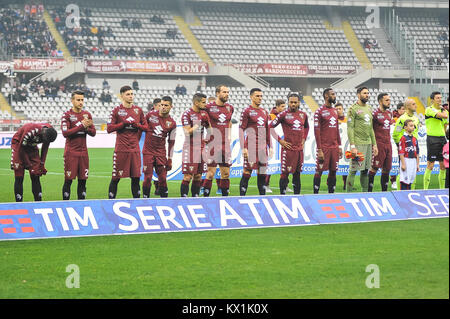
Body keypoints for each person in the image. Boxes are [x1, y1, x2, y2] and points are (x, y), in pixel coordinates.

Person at [107, 85, 147, 199]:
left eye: (132, 94)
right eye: (128, 94)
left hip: (134, 149)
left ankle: (137, 203)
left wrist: (137, 125)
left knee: (136, 178)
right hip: (121, 149)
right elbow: (109, 129)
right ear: (122, 96)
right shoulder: (116, 110)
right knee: (116, 177)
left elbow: (146, 127)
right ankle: (110, 202)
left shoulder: (138, 110)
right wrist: (123, 124)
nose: (131, 96)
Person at [270, 93, 309, 195]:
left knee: (297, 175)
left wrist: (304, 138)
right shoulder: (283, 114)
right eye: (291, 102)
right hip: (288, 150)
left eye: (295, 102)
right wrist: (280, 140)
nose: (293, 104)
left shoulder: (303, 115)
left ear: (299, 103)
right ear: (288, 102)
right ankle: (283, 197)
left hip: (299, 150)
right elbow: (270, 127)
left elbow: (306, 127)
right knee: (285, 174)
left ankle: (297, 197)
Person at [61, 90, 96, 200]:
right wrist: (82, 126)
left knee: (83, 180)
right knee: (68, 180)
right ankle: (65, 204)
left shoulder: (87, 115)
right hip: (71, 153)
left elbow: (93, 133)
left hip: (83, 153)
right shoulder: (67, 115)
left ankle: (81, 204)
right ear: (72, 101)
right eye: (78, 100)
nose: (80, 102)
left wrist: (87, 128)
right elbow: (65, 133)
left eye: (82, 100)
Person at [239, 88, 273, 196]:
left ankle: (262, 198)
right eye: (257, 96)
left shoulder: (264, 112)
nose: (260, 98)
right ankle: (241, 198)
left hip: (263, 149)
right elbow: (241, 129)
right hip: (251, 148)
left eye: (261, 96)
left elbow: (267, 130)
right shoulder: (247, 111)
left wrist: (270, 146)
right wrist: (243, 147)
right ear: (251, 97)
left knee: (262, 173)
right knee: (247, 173)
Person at [10, 123, 57, 202]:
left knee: (36, 175)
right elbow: (21, 149)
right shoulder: (31, 130)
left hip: (32, 146)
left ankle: (38, 203)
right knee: (19, 177)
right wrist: (29, 165)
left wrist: (41, 165)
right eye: (45, 140)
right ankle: (19, 203)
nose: (44, 142)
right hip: (19, 145)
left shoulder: (50, 132)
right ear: (43, 133)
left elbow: (45, 149)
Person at [202, 85, 234, 197]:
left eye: (227, 92)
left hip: (225, 145)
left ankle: (225, 198)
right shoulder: (208, 107)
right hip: (212, 144)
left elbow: (229, 122)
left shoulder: (230, 108)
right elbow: (201, 121)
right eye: (224, 92)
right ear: (217, 93)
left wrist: (229, 135)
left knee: (226, 174)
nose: (226, 94)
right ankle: (205, 198)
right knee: (210, 173)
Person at [142, 96, 176, 198]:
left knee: (162, 178)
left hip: (161, 153)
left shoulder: (172, 123)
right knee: (147, 178)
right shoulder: (150, 115)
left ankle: (164, 201)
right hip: (148, 152)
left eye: (166, 105)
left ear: (171, 107)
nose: (163, 107)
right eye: (161, 105)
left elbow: (171, 142)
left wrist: (170, 159)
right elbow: (141, 128)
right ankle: (145, 200)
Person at [346, 87, 378, 192]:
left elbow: (371, 128)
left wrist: (374, 144)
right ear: (358, 95)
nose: (367, 95)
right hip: (358, 144)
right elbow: (350, 128)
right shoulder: (353, 109)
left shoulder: (369, 108)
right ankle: (348, 194)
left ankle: (365, 194)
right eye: (364, 93)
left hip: (368, 143)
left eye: (368, 93)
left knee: (365, 170)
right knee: (353, 170)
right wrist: (353, 146)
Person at [180, 93, 211, 197]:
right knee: (187, 176)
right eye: (203, 102)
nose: (205, 104)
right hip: (190, 148)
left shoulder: (204, 114)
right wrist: (197, 124)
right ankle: (184, 199)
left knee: (198, 176)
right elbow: (187, 132)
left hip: (201, 148)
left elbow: (210, 129)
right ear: (196, 102)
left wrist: (208, 138)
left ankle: (195, 198)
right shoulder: (187, 114)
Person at [313, 88, 343, 194]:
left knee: (333, 171)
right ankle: (315, 194)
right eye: (332, 94)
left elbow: (336, 130)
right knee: (319, 170)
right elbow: (316, 132)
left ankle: (331, 194)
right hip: (324, 147)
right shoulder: (319, 112)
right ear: (326, 96)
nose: (335, 96)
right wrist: (319, 149)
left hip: (334, 147)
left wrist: (339, 146)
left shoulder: (335, 111)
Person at [368, 93, 395, 192]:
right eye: (386, 100)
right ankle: (369, 192)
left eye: (389, 100)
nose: (389, 102)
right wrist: (373, 144)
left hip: (388, 144)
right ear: (380, 101)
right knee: (374, 168)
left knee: (387, 169)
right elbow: (370, 129)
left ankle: (384, 192)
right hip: (378, 144)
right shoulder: (374, 114)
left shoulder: (389, 113)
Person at [392, 98, 420, 190]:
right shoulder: (402, 119)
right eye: (413, 104)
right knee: (403, 173)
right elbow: (396, 134)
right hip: (404, 151)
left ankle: (410, 192)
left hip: (414, 149)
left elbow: (416, 133)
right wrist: (400, 146)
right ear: (407, 106)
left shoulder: (416, 119)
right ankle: (400, 192)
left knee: (412, 172)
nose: (415, 106)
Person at [423, 91, 449, 189]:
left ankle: (442, 190)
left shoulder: (444, 111)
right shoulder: (429, 110)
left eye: (440, 98)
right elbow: (444, 116)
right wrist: (443, 111)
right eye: (437, 98)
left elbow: (445, 125)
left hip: (442, 139)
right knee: (430, 165)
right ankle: (425, 190)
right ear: (432, 100)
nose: (440, 99)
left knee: (443, 165)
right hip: (432, 139)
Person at [265, 99, 287, 193]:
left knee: (285, 164)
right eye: (282, 107)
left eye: (284, 107)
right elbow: (268, 128)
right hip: (272, 141)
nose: (284, 109)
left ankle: (285, 185)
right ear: (277, 107)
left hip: (282, 141)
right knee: (271, 164)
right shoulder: (270, 116)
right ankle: (266, 185)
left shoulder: (285, 115)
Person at [398, 119, 420, 190]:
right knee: (404, 181)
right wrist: (403, 164)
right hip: (406, 160)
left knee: (410, 180)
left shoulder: (415, 139)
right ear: (405, 127)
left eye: (413, 126)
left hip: (413, 161)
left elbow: (417, 152)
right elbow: (401, 152)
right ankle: (402, 196)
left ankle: (408, 195)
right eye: (411, 126)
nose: (413, 127)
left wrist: (417, 164)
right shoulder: (403, 138)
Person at [390, 102, 406, 189]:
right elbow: (395, 130)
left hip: (403, 143)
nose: (404, 111)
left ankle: (401, 179)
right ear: (398, 110)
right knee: (393, 161)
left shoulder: (406, 118)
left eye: (405, 109)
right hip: (394, 143)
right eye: (403, 109)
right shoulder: (394, 119)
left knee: (401, 161)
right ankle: (393, 180)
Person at [335, 102, 348, 190]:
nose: (338, 110)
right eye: (336, 109)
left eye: (340, 108)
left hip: (346, 145)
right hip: (335, 145)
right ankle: (331, 183)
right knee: (333, 165)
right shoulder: (333, 119)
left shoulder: (347, 120)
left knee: (346, 164)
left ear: (343, 109)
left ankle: (345, 184)